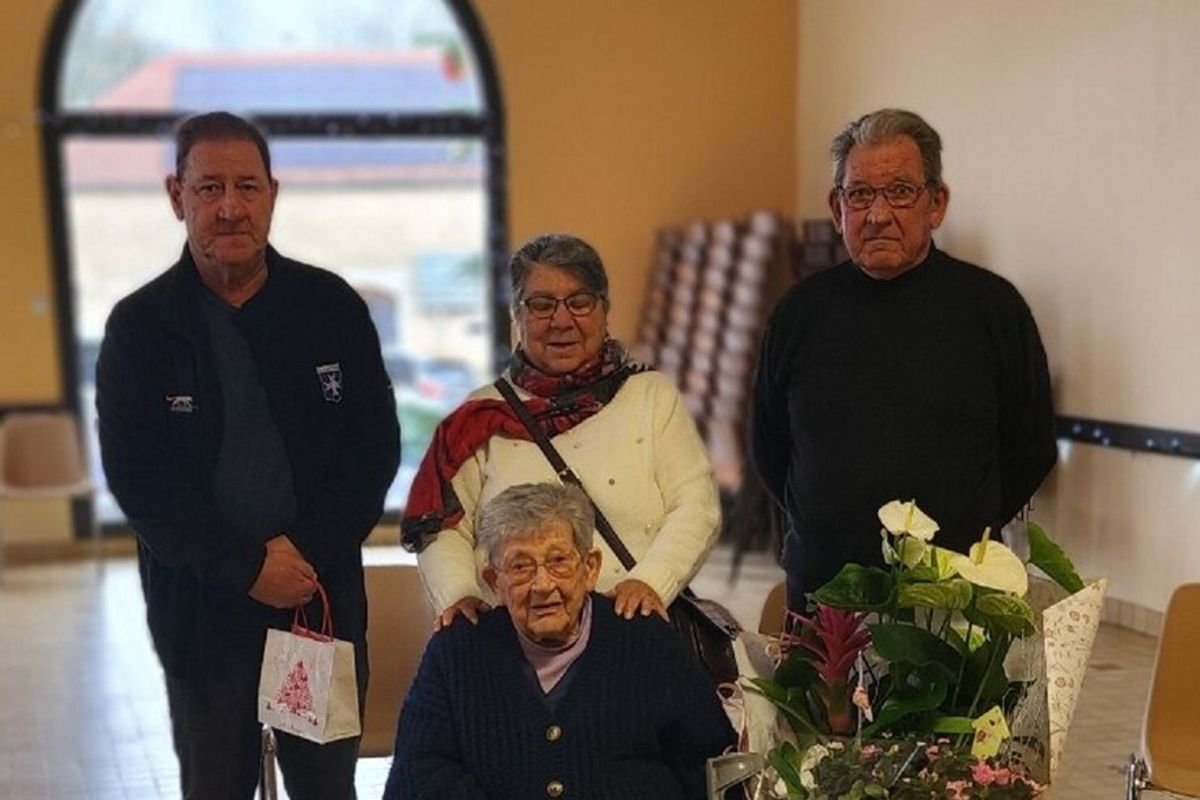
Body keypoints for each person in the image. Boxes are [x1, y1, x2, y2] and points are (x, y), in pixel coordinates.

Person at [96, 111, 400, 799]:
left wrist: (303, 554)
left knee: (326, 787)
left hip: (315, 608)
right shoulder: (141, 329)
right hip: (201, 616)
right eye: (208, 189)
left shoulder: (332, 308)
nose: (230, 207)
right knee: (215, 787)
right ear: (177, 196)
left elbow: (373, 451)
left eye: (247, 186)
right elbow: (141, 482)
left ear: (273, 193)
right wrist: (246, 566)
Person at [750, 108, 1056, 611]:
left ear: (936, 204)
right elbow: (770, 445)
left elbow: (1031, 444)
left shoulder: (992, 309)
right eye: (860, 194)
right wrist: (826, 523)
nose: (877, 214)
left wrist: (963, 525)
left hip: (953, 600)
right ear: (837, 208)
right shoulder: (800, 313)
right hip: (826, 596)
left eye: (899, 192)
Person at [403, 232, 720, 629]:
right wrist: (459, 594)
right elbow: (443, 526)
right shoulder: (480, 415)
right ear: (516, 316)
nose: (562, 320)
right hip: (515, 640)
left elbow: (696, 506)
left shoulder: (648, 395)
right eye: (541, 305)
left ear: (604, 309)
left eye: (579, 302)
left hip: (631, 625)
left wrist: (650, 582)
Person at [386, 482, 735, 799]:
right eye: (520, 566)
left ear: (590, 568)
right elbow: (418, 774)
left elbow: (712, 762)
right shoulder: (457, 651)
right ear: (494, 582)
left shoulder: (646, 639)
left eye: (558, 562)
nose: (542, 584)